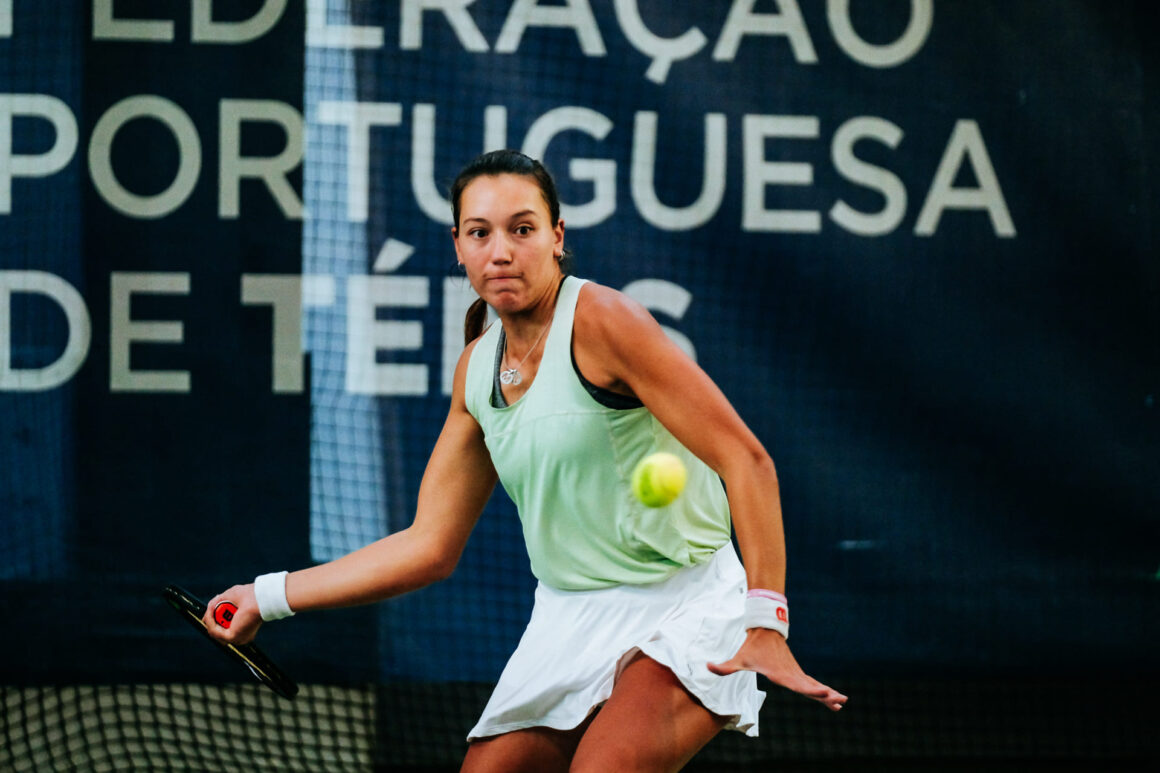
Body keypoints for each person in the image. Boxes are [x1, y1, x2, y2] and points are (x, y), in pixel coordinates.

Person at [204, 149, 846, 772]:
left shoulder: (607, 321)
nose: (501, 251)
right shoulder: (476, 370)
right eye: (480, 233)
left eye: (523, 229)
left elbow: (747, 459)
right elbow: (428, 546)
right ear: (457, 245)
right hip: (567, 614)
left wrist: (767, 619)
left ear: (558, 235)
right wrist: (267, 596)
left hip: (687, 602)